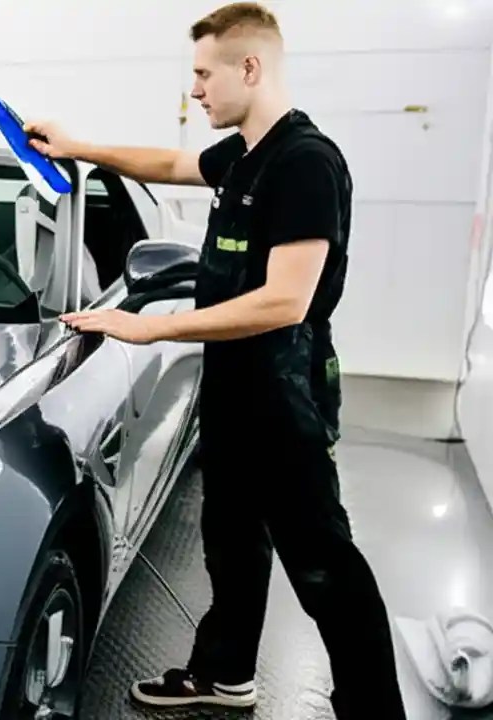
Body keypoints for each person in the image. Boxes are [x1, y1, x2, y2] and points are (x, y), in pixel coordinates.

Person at [24, 2, 407, 716]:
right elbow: (170, 163)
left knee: (324, 566)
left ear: (250, 68)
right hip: (232, 381)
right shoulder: (243, 156)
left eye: (204, 74)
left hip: (284, 387)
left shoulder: (304, 164)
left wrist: (156, 331)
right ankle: (226, 674)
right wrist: (78, 148)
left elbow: (284, 303)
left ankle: (375, 708)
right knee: (230, 543)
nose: (195, 89)